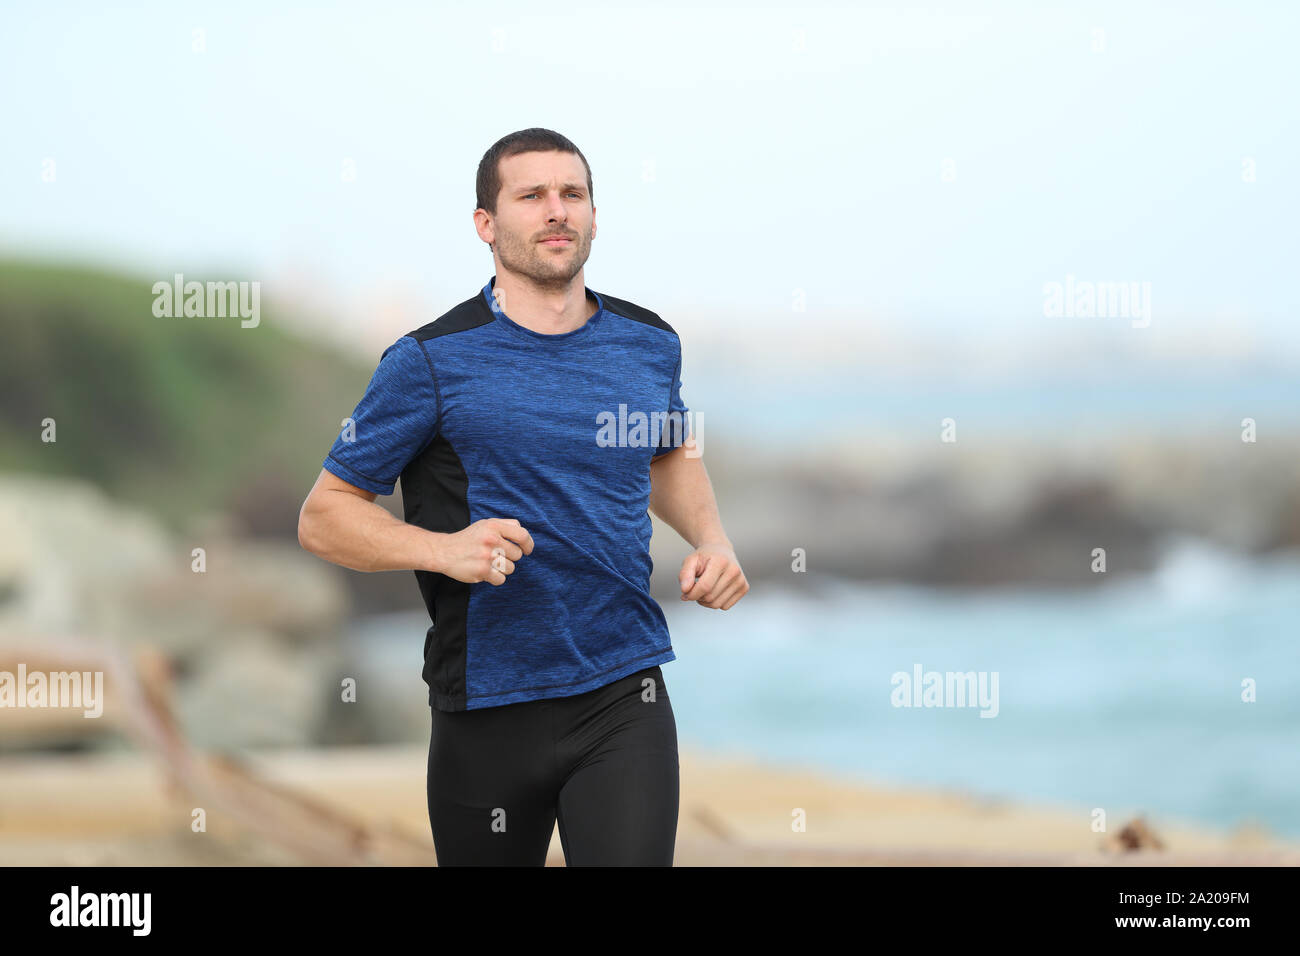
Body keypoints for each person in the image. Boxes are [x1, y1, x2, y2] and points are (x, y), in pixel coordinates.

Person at [297, 127, 748, 866]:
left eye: (573, 194)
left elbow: (668, 454)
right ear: (486, 224)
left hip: (622, 692)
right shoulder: (427, 361)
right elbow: (324, 516)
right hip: (486, 706)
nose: (556, 211)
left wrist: (713, 540)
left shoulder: (649, 344)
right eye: (531, 195)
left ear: (595, 215)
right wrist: (443, 550)